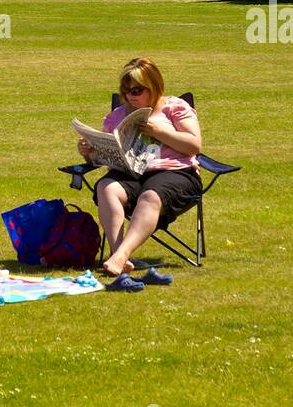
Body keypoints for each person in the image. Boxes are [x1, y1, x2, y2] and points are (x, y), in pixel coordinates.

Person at [77, 56, 202, 279]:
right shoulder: (116, 116)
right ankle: (119, 255)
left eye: (136, 90)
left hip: (174, 173)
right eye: (126, 91)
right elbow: (104, 157)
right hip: (129, 172)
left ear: (153, 86)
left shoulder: (175, 107)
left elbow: (194, 145)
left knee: (151, 196)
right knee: (106, 187)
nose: (130, 97)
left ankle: (120, 256)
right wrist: (90, 153)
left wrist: (159, 132)